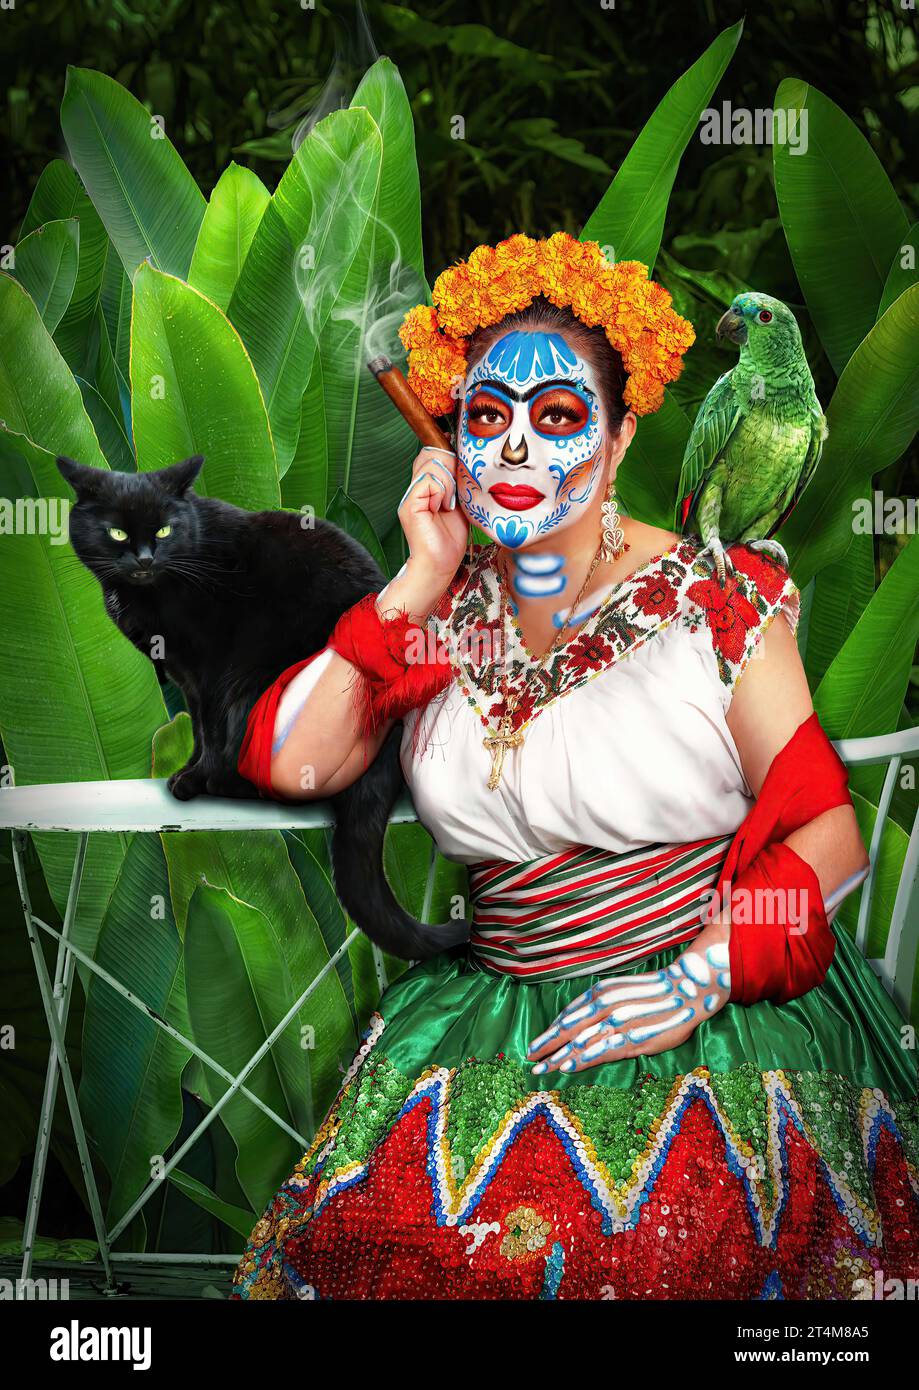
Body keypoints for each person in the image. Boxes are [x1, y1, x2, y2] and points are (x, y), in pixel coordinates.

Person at [232, 235, 918, 1300]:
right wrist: (421, 572)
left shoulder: (715, 594)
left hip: (712, 1015)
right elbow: (299, 760)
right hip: (489, 1019)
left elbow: (827, 836)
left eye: (555, 418)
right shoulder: (442, 614)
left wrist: (689, 984)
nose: (512, 448)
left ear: (621, 432)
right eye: (483, 418)